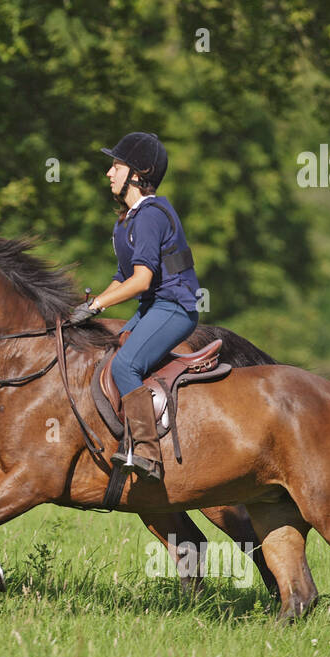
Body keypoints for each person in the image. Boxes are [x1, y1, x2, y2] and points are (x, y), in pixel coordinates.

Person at [69, 132, 200, 481]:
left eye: (116, 166)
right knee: (108, 356)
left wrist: (97, 305)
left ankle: (147, 451)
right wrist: (85, 308)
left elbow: (141, 281)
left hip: (175, 306)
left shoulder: (151, 215)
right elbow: (122, 277)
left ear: (138, 173)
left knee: (126, 365)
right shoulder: (127, 219)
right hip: (153, 306)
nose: (109, 174)